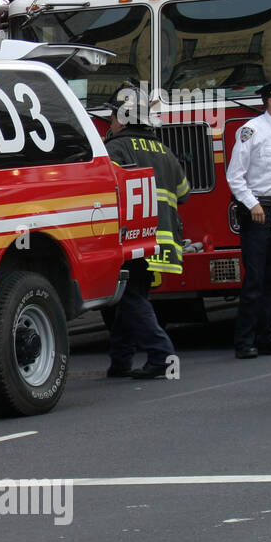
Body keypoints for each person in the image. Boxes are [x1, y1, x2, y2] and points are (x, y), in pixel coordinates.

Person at [102, 86, 191, 379]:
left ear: (124, 119)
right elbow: (184, 194)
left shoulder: (115, 149)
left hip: (131, 238)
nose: (110, 122)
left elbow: (105, 191)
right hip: (161, 240)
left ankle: (162, 355)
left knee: (129, 298)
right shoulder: (164, 150)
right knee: (132, 297)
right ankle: (121, 361)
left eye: (113, 116)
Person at [226, 76, 271, 359]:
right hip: (258, 212)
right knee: (255, 278)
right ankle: (244, 340)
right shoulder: (250, 130)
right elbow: (235, 175)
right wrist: (252, 204)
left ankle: (267, 334)